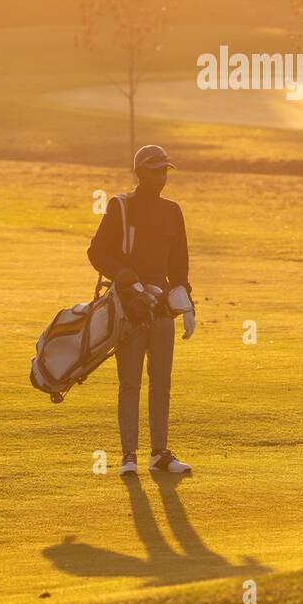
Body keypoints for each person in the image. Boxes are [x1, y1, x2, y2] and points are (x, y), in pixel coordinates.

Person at [87, 144, 195, 478]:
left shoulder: (172, 211)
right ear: (139, 173)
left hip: (162, 308)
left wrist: (186, 301)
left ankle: (159, 454)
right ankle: (128, 456)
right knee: (130, 382)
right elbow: (97, 252)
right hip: (130, 308)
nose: (161, 176)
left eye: (164, 170)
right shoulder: (121, 207)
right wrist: (124, 276)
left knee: (161, 383)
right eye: (154, 170)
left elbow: (179, 265)